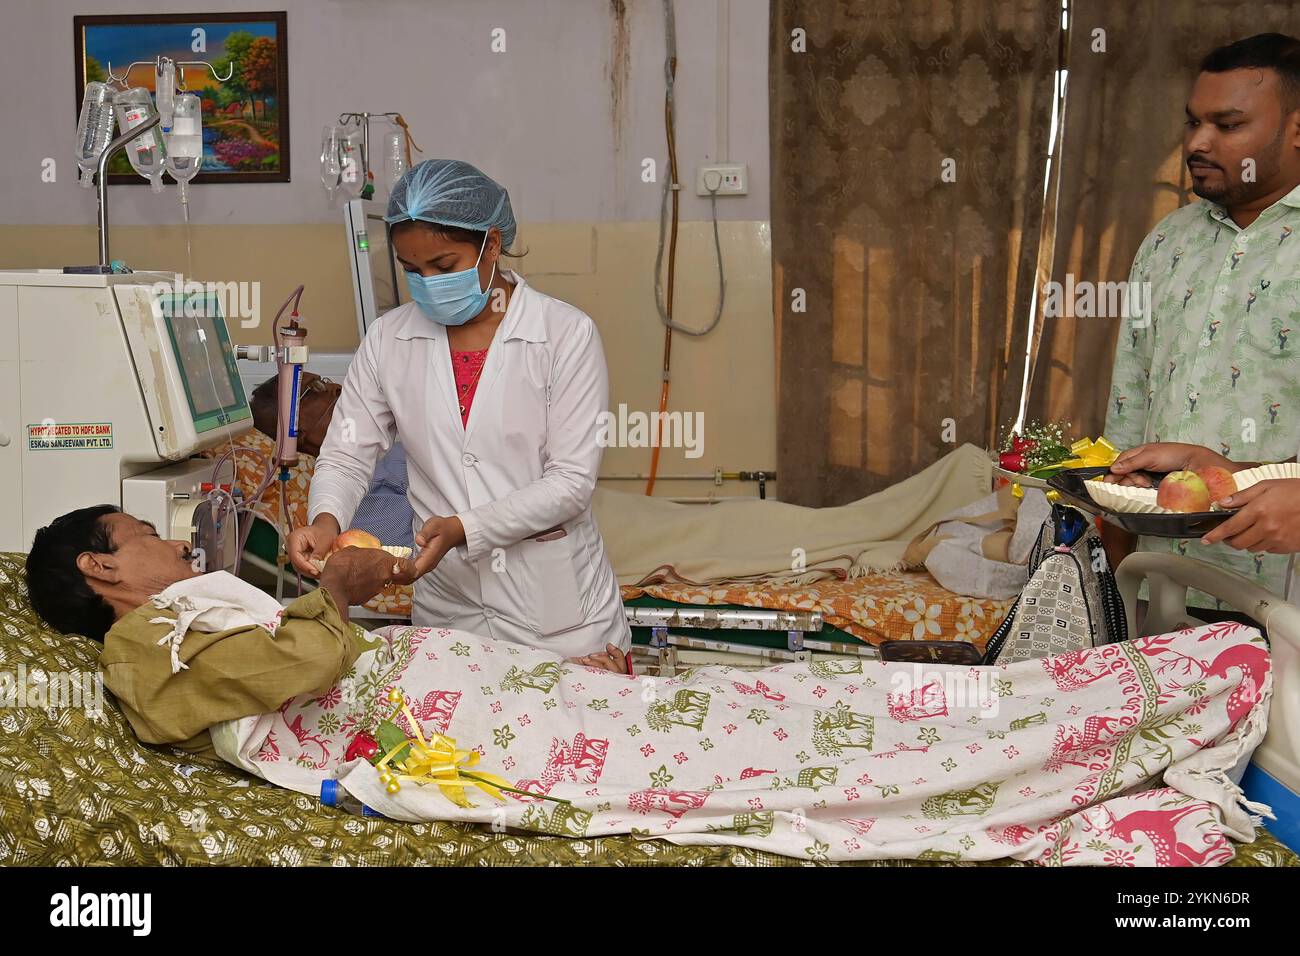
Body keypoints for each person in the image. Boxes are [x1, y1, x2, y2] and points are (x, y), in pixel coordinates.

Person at [286, 159, 630, 674]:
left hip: (553, 609)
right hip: (449, 606)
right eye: (411, 271)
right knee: (450, 751)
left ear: (491, 244)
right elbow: (346, 454)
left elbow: (571, 483)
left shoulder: (563, 334)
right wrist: (326, 519)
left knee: (565, 745)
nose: (427, 284)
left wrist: (463, 528)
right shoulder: (388, 339)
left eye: (444, 267)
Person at [1102, 34, 1300, 606]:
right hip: (1156, 587)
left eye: (1228, 124)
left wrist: (1232, 476)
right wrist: (1118, 575)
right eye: (1193, 123)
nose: (1198, 142)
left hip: (1281, 602)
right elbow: (1129, 407)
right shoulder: (1167, 241)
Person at [24, 505, 417, 755]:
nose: (180, 544)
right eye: (149, 536)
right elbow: (311, 657)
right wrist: (338, 584)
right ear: (101, 566)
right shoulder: (138, 646)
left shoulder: (178, 617)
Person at [249, 371, 415, 549]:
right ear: (296, 428)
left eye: (324, 381)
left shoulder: (384, 453)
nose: (336, 388)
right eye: (315, 388)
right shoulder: (351, 504)